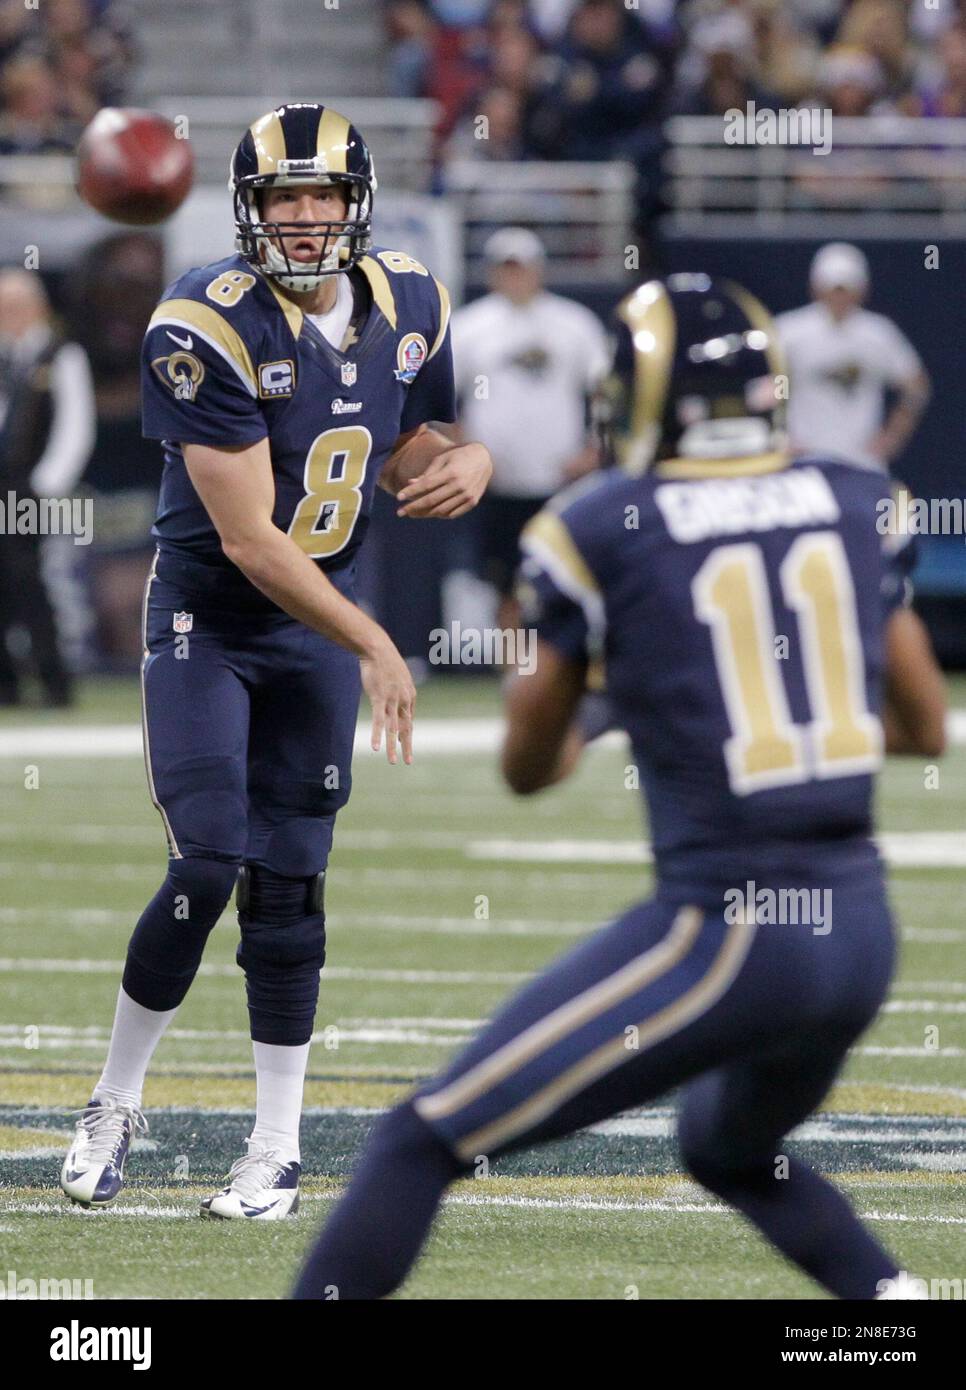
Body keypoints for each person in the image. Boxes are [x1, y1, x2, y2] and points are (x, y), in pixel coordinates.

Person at [293, 272, 946, 1300]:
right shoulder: (858, 495)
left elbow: (526, 767)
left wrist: (611, 697)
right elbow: (920, 724)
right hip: (860, 926)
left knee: (420, 1139)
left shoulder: (602, 523)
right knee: (729, 1149)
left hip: (732, 927)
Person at [59, 102, 492, 1219]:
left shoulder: (407, 298)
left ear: (358, 204)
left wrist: (469, 457)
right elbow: (252, 539)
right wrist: (376, 639)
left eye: (324, 198)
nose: (306, 220)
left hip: (320, 629)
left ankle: (276, 1147)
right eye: (285, 199)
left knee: (291, 887)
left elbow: (403, 443)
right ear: (251, 210)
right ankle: (114, 1098)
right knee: (207, 865)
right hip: (213, 620)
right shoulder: (202, 325)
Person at [451, 227, 608, 623]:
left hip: (562, 482)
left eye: (521, 268)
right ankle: (514, 676)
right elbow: (438, 402)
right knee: (505, 585)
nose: (515, 277)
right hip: (496, 484)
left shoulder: (574, 324)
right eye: (507, 268)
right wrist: (466, 452)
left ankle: (556, 671)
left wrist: (594, 451)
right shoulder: (469, 326)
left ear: (538, 270)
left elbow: (606, 395)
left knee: (566, 580)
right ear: (492, 273)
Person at [0, 268, 95, 706]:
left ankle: (54, 679)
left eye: (14, 306)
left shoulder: (61, 354)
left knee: (30, 580)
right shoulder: (6, 356)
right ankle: (8, 683)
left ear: (37, 308)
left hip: (31, 485)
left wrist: (48, 483)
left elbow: (75, 427)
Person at [775, 242, 930, 472]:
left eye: (846, 289)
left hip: (862, 463)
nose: (839, 297)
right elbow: (773, 386)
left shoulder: (879, 334)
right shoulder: (788, 332)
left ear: (862, 289)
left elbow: (917, 388)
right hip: (804, 459)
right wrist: (781, 435)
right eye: (833, 288)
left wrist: (892, 437)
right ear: (816, 288)